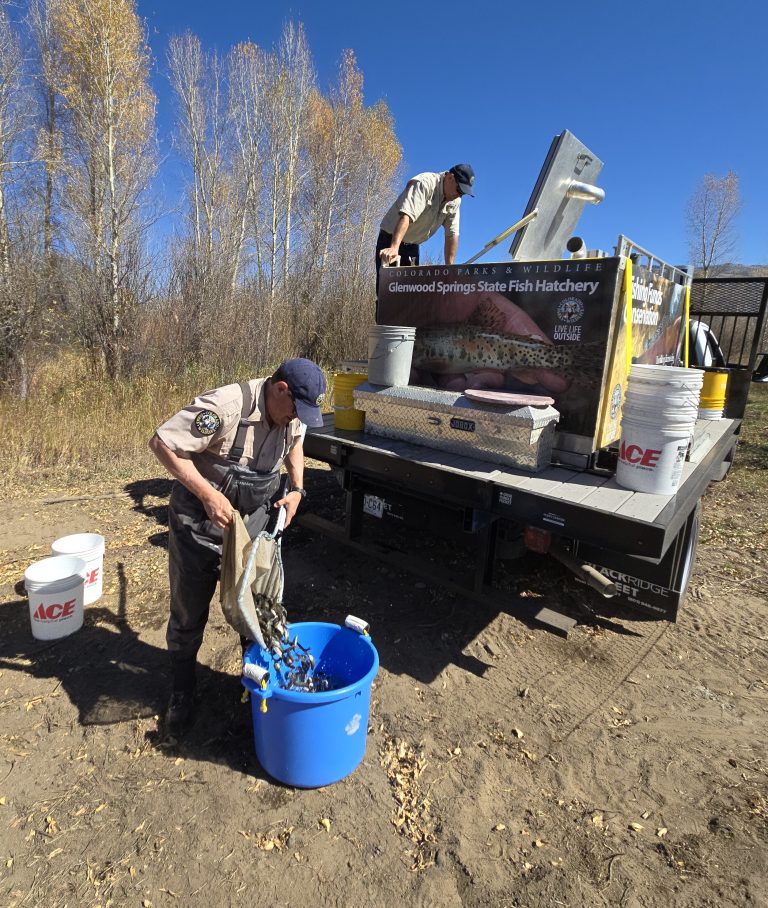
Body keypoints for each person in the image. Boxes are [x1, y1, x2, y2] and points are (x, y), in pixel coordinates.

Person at [148, 358, 326, 737]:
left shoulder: (292, 414)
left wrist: (296, 490)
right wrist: (207, 494)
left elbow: (296, 442)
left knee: (257, 611)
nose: (297, 417)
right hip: (199, 526)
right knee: (188, 613)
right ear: (281, 390)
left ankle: (257, 686)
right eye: (296, 408)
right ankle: (182, 692)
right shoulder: (226, 407)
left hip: (251, 527)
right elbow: (162, 442)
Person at [376, 164, 476, 294]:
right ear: (450, 177)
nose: (459, 195)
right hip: (390, 239)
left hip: (412, 246)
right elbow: (407, 216)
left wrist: (449, 268)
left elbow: (452, 234)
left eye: (462, 193)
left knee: (410, 294)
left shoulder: (455, 201)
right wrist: (394, 247)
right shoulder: (425, 183)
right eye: (459, 190)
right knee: (387, 293)